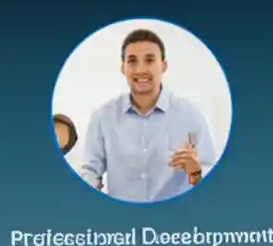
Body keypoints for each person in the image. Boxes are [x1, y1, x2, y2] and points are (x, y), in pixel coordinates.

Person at [79, 29, 216, 203]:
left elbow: (209, 177)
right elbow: (91, 172)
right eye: (132, 61)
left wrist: (195, 171)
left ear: (164, 66)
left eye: (150, 60)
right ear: (123, 68)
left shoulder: (189, 115)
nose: (141, 69)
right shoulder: (102, 118)